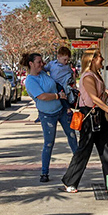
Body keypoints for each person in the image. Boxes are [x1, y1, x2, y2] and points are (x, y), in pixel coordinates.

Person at [61, 49, 108, 193]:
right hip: (89, 117)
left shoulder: (97, 75)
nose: (103, 59)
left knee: (107, 149)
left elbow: (99, 98)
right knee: (84, 150)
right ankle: (69, 181)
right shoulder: (88, 77)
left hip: (98, 115)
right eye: (100, 57)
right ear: (92, 60)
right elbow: (94, 98)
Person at [22, 52, 78, 184]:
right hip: (47, 114)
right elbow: (42, 96)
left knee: (72, 136)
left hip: (61, 110)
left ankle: (79, 164)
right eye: (39, 62)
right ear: (31, 64)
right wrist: (58, 96)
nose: (42, 64)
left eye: (42, 62)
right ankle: (44, 172)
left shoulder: (43, 73)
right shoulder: (30, 81)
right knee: (49, 143)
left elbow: (56, 81)